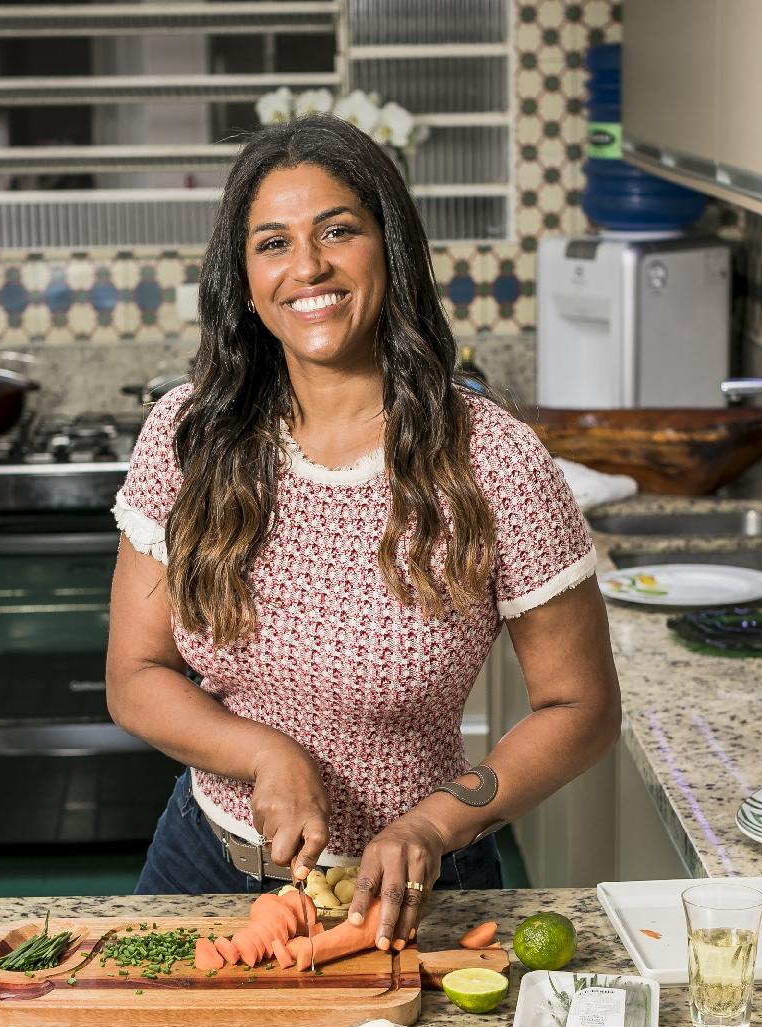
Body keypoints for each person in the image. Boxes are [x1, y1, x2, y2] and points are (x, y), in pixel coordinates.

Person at [107, 113, 619, 949]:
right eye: (272, 243)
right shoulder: (188, 434)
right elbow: (135, 675)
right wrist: (268, 756)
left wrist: (433, 825)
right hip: (203, 866)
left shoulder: (493, 459)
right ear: (243, 276)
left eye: (337, 231)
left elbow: (582, 706)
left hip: (420, 889)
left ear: (391, 248)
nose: (307, 266)